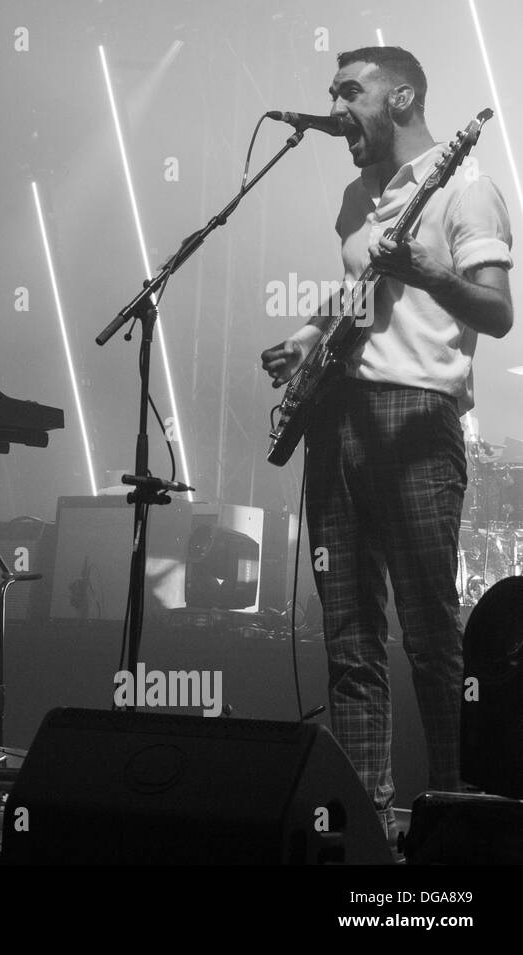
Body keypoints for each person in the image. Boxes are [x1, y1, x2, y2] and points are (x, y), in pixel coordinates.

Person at [261, 47, 513, 846]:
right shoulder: (354, 194)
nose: (335, 106)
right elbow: (358, 296)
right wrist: (308, 336)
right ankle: (363, 828)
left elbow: (498, 312)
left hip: (417, 418)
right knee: (350, 639)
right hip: (339, 419)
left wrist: (430, 272)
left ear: (401, 96)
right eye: (333, 92)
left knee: (435, 638)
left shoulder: (467, 187)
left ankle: (454, 819)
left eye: (350, 92)